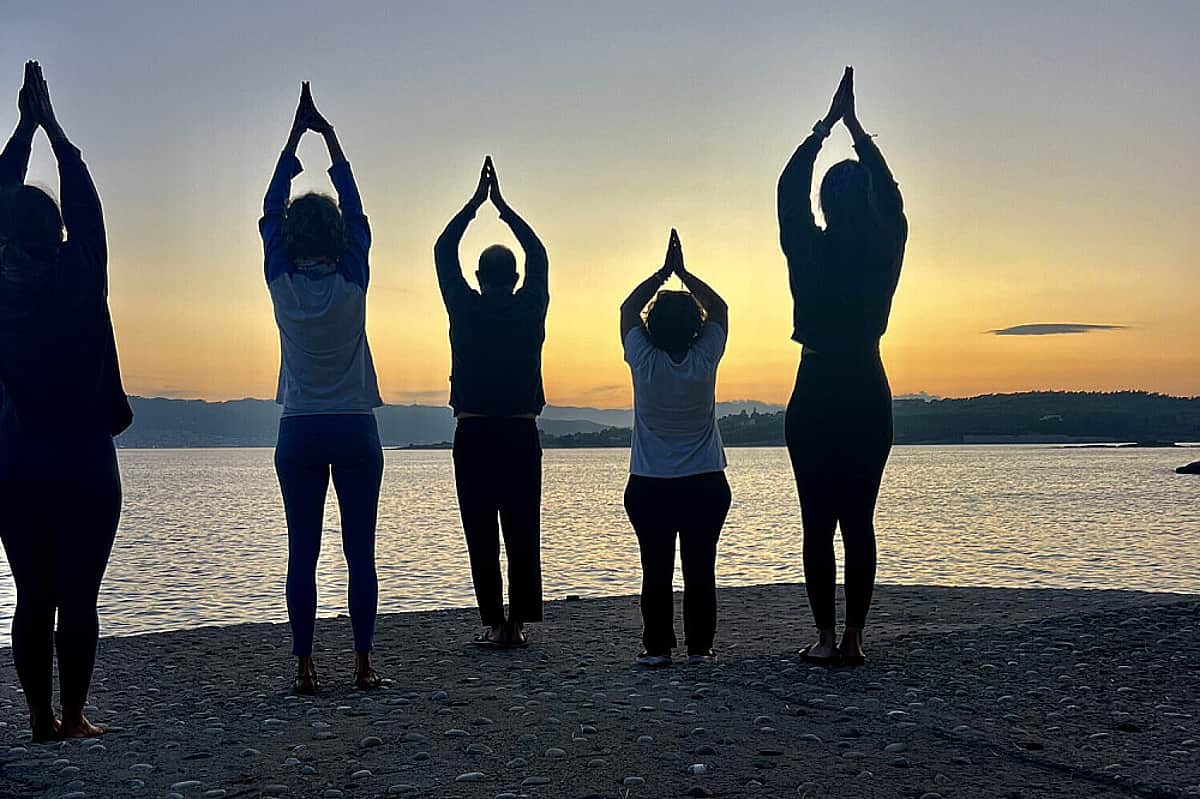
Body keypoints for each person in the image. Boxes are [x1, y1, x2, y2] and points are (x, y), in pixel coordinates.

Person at [0, 61, 132, 740]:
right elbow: (86, 205)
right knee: (78, 596)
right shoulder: (80, 272)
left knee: (32, 593)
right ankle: (74, 715)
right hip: (84, 459)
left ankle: (37, 716)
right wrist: (53, 130)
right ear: (55, 236)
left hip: (16, 459)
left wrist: (23, 131)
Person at [776, 66, 907, 667]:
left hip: (817, 385)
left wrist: (824, 128)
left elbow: (788, 190)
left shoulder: (808, 247)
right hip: (866, 385)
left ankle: (827, 638)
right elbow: (893, 201)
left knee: (817, 520)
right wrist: (856, 130)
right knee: (859, 519)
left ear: (825, 203)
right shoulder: (885, 247)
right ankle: (853, 638)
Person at [261, 82, 385, 693]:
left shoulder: (281, 281)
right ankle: (362, 665)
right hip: (355, 425)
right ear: (335, 236)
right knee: (359, 550)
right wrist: (330, 140)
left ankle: (306, 666)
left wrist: (294, 139)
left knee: (302, 551)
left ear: (292, 236)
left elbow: (268, 213)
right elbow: (358, 214)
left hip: (300, 428)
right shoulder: (353, 278)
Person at [435, 156, 549, 649]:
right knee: (522, 529)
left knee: (480, 530)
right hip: (520, 433)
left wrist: (474, 206)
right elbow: (539, 253)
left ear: (479, 276)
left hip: (476, 432)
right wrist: (502, 208)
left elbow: (443, 250)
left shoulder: (465, 307)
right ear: (515, 276)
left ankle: (493, 622)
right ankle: (516, 624)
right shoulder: (530, 306)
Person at [620, 229, 731, 668]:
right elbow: (720, 309)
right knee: (701, 568)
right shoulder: (704, 360)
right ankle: (700, 648)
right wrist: (683, 274)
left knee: (656, 569)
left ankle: (657, 648)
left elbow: (627, 310)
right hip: (705, 482)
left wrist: (662, 273)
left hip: (650, 484)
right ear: (695, 328)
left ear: (652, 327)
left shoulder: (644, 361)